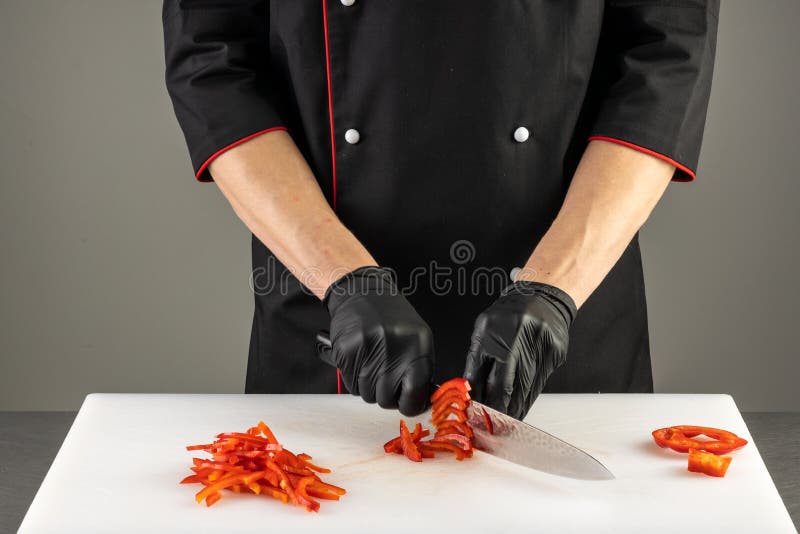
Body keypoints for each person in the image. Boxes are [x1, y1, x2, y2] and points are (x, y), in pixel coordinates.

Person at [162, 1, 719, 420]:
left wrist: (553, 288)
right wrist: (343, 280)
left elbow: (666, 58)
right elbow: (212, 66)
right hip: (332, 319)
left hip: (565, 307)